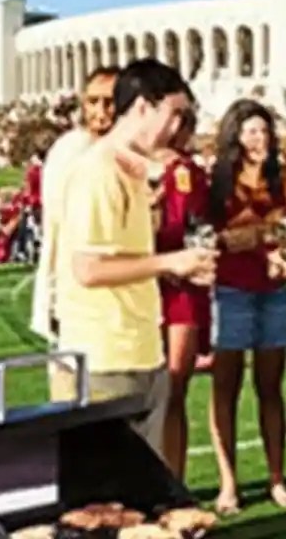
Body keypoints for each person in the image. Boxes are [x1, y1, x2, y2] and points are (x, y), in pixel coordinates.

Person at [53, 58, 217, 457]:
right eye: (174, 114)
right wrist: (170, 263)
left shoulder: (131, 173)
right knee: (107, 490)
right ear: (143, 107)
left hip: (141, 353)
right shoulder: (97, 172)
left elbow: (125, 256)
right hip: (103, 359)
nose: (179, 128)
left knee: (145, 486)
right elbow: (87, 268)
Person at [207, 98, 286, 514]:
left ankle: (277, 479)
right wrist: (245, 239)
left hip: (273, 291)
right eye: (250, 131)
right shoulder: (219, 180)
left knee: (271, 388)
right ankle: (228, 483)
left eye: (264, 131)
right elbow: (208, 236)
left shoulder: (283, 178)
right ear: (235, 135)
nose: (259, 139)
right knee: (225, 388)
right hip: (230, 290)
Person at [32, 66, 119, 342]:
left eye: (110, 102)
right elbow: (59, 224)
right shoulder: (70, 150)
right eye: (93, 101)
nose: (101, 111)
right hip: (75, 287)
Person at [151, 109, 211, 479]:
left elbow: (200, 224)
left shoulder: (190, 173)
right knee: (139, 391)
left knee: (174, 388)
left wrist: (187, 260)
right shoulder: (126, 164)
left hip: (181, 288)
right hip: (138, 285)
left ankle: (173, 481)